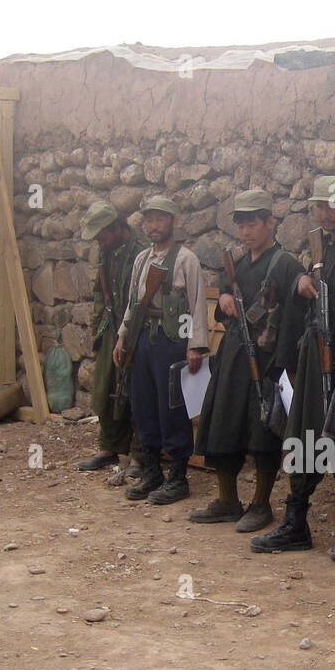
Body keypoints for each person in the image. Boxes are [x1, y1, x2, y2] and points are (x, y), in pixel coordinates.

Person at [250, 175, 335, 558]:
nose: (327, 213)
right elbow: (305, 304)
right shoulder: (319, 246)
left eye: (334, 205)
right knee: (304, 436)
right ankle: (296, 522)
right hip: (314, 355)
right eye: (321, 206)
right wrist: (301, 285)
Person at [192, 190, 304, 533]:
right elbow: (226, 291)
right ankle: (227, 501)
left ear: (270, 223)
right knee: (223, 424)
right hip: (234, 359)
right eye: (241, 225)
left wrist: (282, 365)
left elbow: (295, 315)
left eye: (252, 224)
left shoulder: (284, 265)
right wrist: (224, 296)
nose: (246, 232)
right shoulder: (239, 263)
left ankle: (260, 504)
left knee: (263, 432)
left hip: (268, 362)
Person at [113, 195, 208, 505]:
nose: (154, 225)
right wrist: (122, 337)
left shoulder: (186, 259)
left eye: (160, 219)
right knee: (144, 405)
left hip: (172, 341)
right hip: (143, 338)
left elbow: (197, 304)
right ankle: (152, 470)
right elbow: (133, 304)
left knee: (173, 407)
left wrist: (195, 346)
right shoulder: (141, 259)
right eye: (149, 220)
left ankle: (178, 477)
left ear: (173, 222)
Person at [77, 200, 147, 482]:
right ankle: (109, 447)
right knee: (104, 387)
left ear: (118, 228)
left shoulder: (141, 255)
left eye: (102, 235)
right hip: (110, 328)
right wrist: (99, 326)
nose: (99, 241)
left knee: (135, 392)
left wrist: (130, 332)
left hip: (135, 330)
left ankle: (139, 456)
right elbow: (99, 292)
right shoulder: (105, 253)